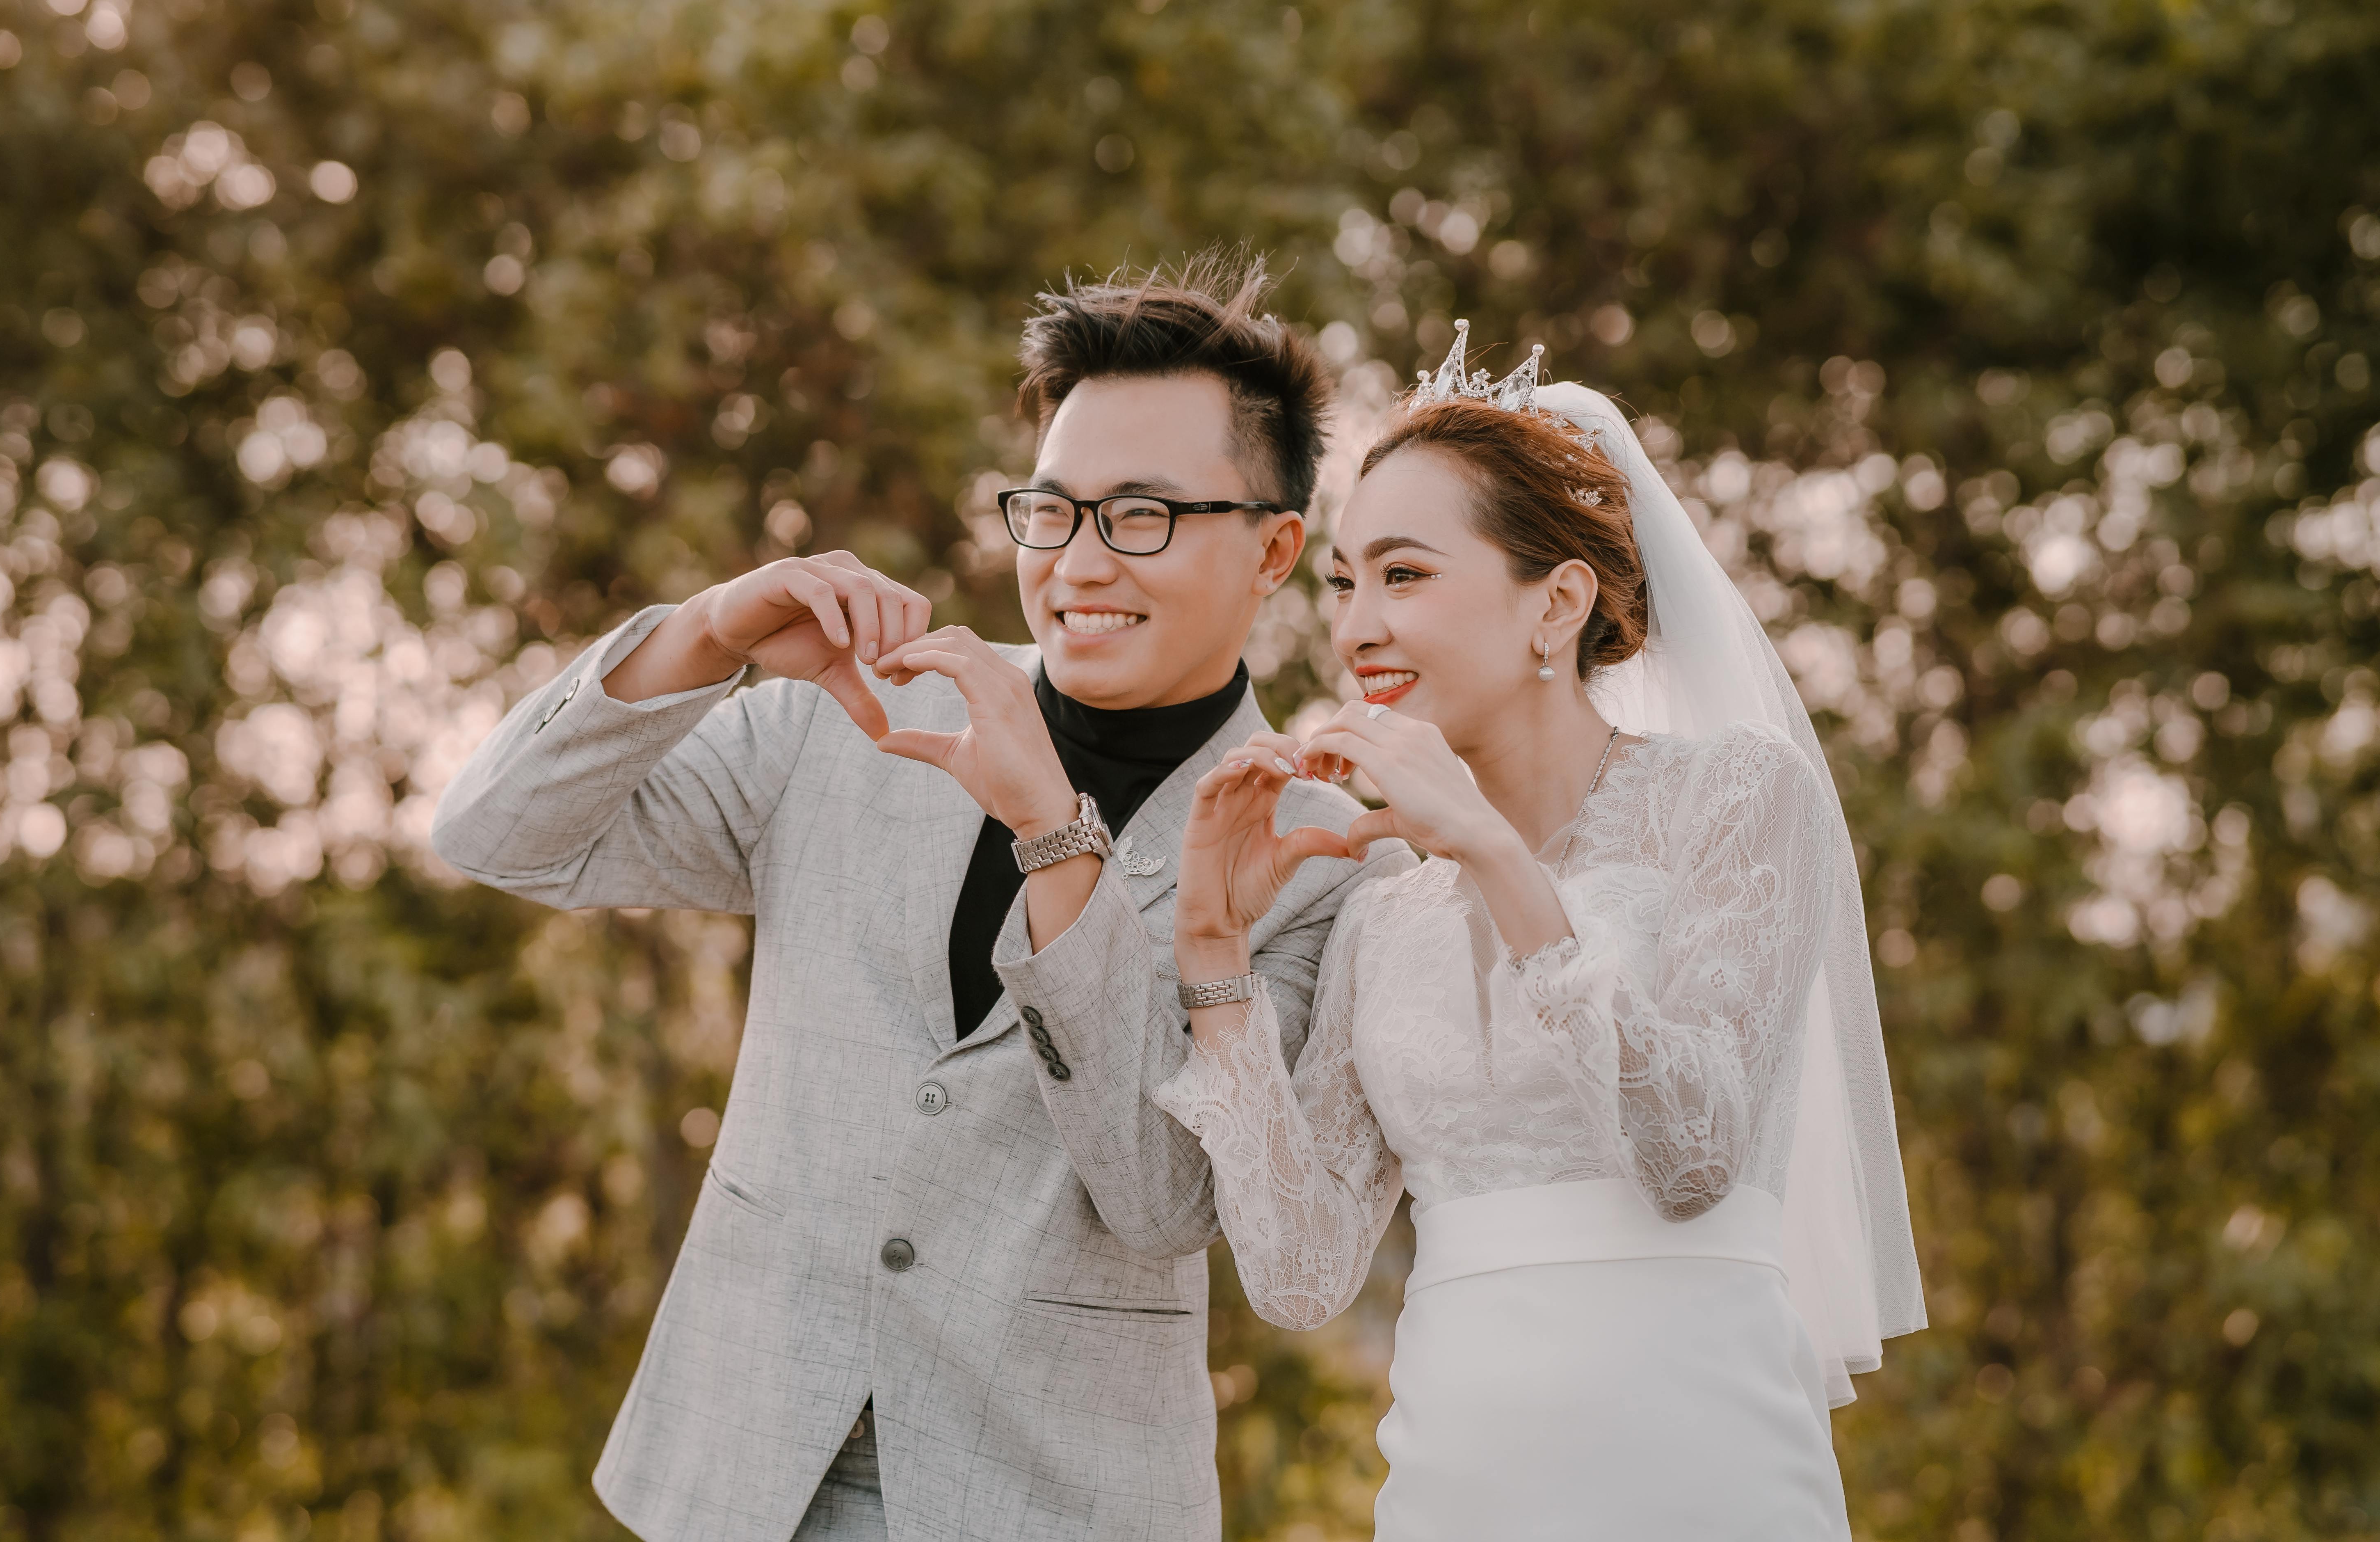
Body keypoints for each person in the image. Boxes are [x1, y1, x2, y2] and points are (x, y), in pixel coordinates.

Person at [431, 262, 1412, 1542]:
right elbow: (499, 833)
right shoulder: (861, 709)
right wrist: (708, 635)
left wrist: (1055, 838)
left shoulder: (1327, 849)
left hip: (1052, 1500)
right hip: (735, 1470)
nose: (1077, 564)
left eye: (1143, 516)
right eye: (1051, 514)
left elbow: (1167, 1199)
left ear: (1275, 548)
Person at [1152, 327, 1925, 1539]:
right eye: (1344, 584)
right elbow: (1303, 1275)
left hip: (1708, 1475)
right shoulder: (1384, 912)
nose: (1354, 628)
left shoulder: (1735, 799)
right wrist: (1211, 947)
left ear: (1556, 603)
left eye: (1403, 577)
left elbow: (1691, 1153)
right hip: (1458, 1487)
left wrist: (1496, 855)